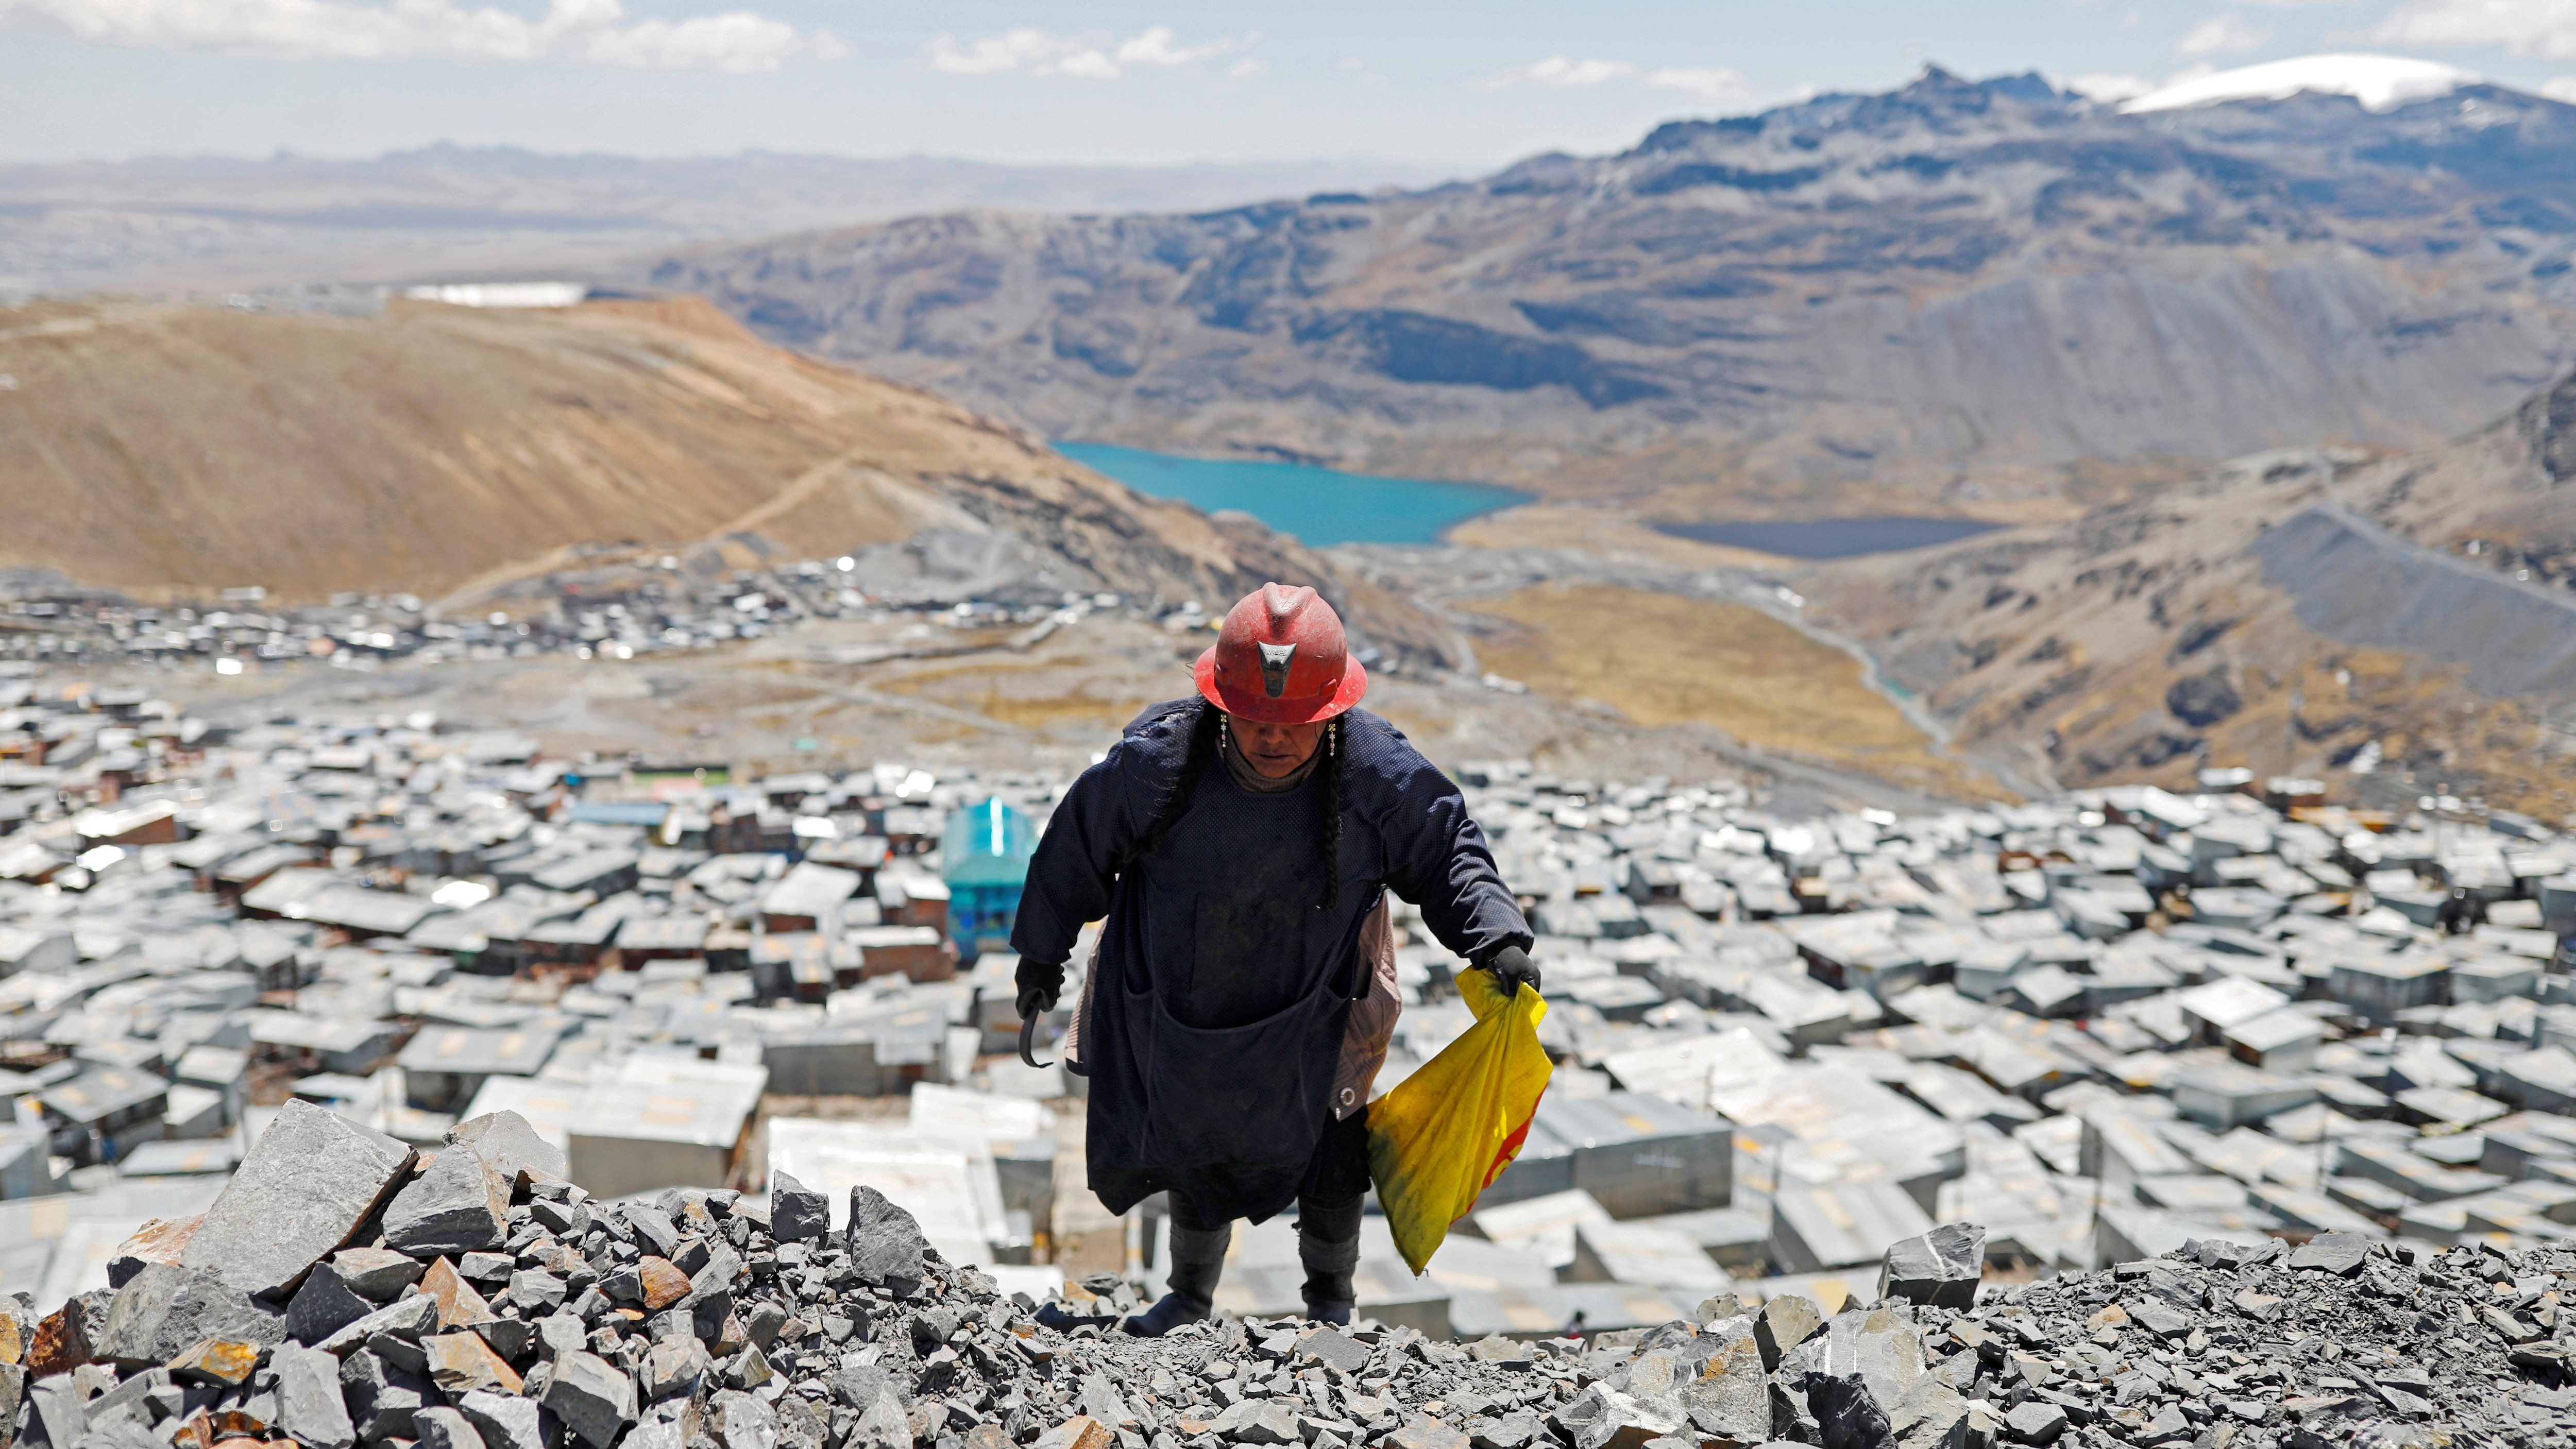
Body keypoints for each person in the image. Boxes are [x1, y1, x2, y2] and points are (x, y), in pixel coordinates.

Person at [1009, 582, 1539, 1334]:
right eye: (1253, 715)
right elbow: (1074, 847)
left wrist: (1499, 936)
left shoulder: (1374, 773)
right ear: (1221, 701)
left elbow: (1447, 848)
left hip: (1320, 1011)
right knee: (1194, 1144)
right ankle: (1189, 1297)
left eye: (1295, 721)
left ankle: (1332, 1307)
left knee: (1332, 1151)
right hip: (1186, 1010)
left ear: (1332, 712)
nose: (1272, 737)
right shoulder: (1159, 764)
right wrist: (1040, 955)